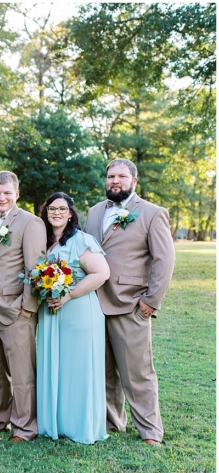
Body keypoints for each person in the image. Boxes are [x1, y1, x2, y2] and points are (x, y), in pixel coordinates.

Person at [84, 158, 175, 446]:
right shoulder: (94, 212)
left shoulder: (151, 213)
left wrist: (152, 300)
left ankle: (150, 432)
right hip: (95, 303)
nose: (115, 181)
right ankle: (113, 424)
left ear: (134, 181)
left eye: (122, 176)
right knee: (105, 370)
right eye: (111, 176)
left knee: (138, 373)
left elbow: (164, 259)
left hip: (131, 304)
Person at [0, 171, 46, 442]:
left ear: (17, 194)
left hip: (16, 307)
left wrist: (27, 306)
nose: (1, 197)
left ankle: (25, 426)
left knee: (21, 372)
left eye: (7, 193)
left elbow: (35, 267)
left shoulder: (31, 223)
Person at [36, 192, 110, 444]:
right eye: (51, 209)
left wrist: (68, 295)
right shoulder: (42, 242)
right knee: (57, 367)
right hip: (51, 313)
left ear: (70, 213)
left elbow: (101, 273)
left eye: (62, 209)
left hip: (79, 312)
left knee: (78, 370)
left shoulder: (81, 240)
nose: (56, 213)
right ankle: (55, 423)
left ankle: (80, 425)